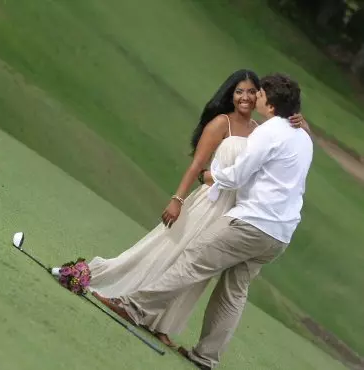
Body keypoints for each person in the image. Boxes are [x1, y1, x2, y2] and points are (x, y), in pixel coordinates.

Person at [92, 73, 314, 370]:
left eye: (260, 95)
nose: (256, 98)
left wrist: (209, 176)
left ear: (271, 105)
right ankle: (205, 358)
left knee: (194, 258)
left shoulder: (268, 131)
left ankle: (134, 308)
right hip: (279, 236)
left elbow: (237, 174)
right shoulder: (304, 138)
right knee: (233, 293)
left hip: (252, 223)